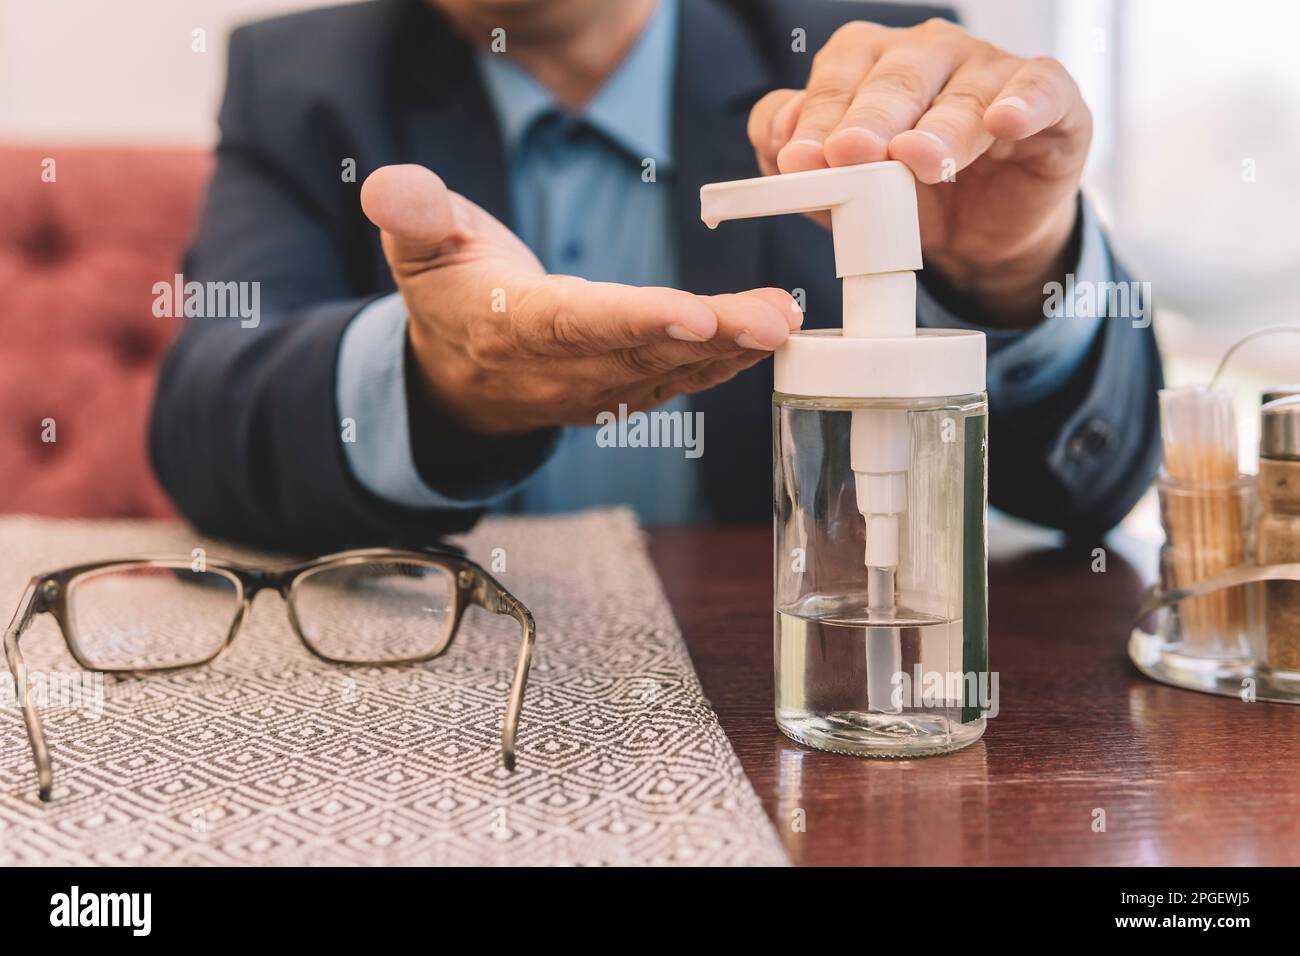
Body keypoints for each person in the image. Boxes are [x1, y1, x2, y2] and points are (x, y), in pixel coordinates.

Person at [151, 0, 1161, 552]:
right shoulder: (302, 80)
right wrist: (438, 384)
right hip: (431, 695)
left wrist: (1007, 271)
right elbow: (204, 426)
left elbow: (1091, 487)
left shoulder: (860, 72)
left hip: (765, 705)